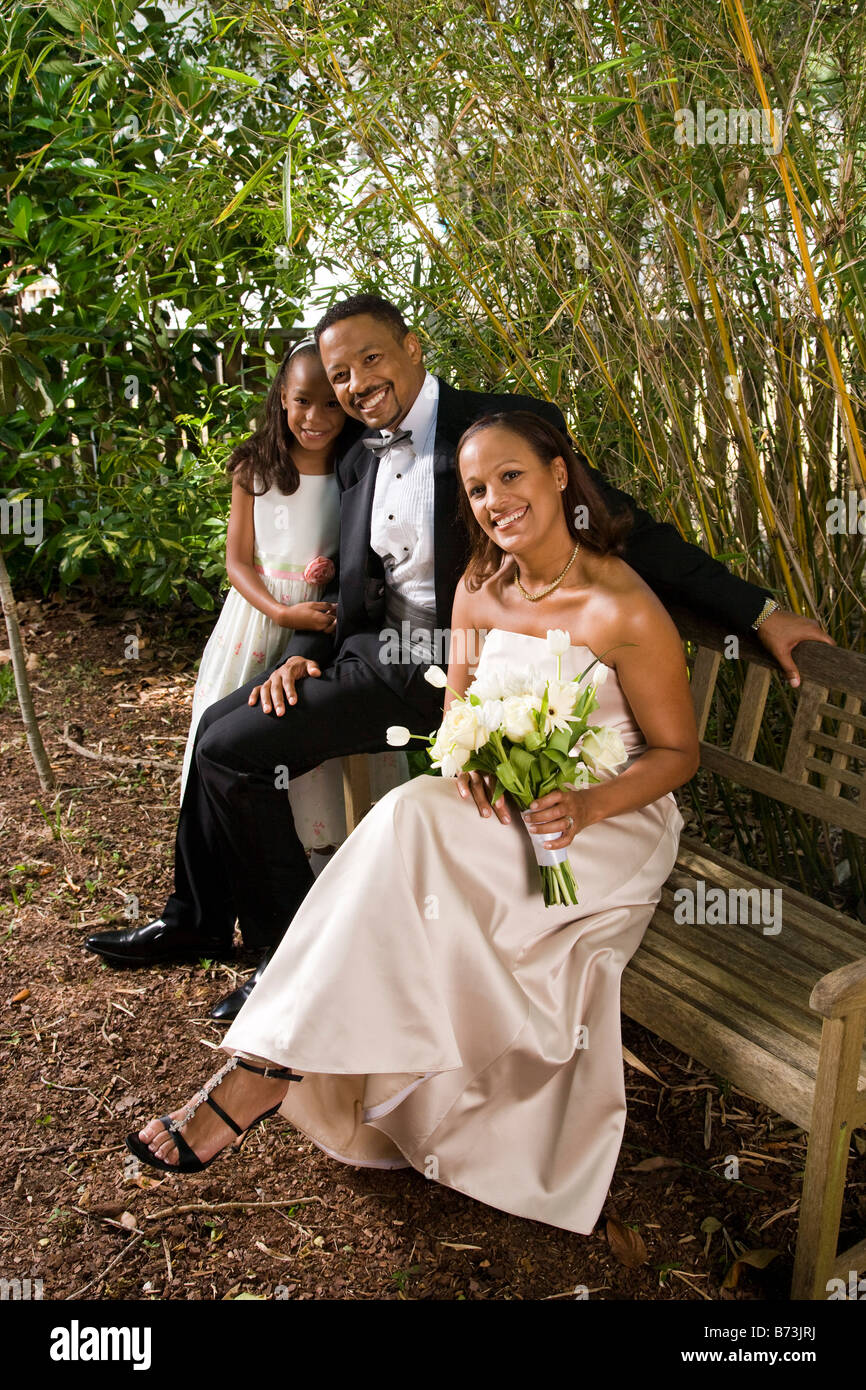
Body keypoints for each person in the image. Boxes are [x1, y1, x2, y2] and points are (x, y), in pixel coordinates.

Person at [87, 293, 835, 1024]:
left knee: (232, 748)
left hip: (468, 671)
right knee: (220, 730)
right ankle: (195, 918)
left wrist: (759, 613)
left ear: (413, 348)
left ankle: (286, 960)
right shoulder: (355, 454)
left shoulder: (498, 427)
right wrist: (303, 654)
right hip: (378, 656)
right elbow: (350, 581)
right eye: (340, 374)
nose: (355, 384)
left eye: (370, 360)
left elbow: (629, 529)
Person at [125, 409, 699, 1238]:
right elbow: (460, 712)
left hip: (605, 824)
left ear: (558, 474)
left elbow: (678, 754)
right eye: (477, 488)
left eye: (511, 476)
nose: (495, 500)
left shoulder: (622, 607)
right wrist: (472, 758)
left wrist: (583, 805)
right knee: (412, 824)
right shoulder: (480, 588)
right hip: (498, 809)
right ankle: (267, 1064)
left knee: (405, 822)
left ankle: (260, 1070)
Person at [178, 337, 406, 853]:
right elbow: (238, 562)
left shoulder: (360, 466)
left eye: (331, 404)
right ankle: (235, 850)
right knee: (233, 727)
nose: (316, 417)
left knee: (308, 736)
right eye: (303, 400)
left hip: (326, 622)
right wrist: (282, 612)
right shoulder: (255, 466)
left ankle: (318, 855)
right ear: (282, 395)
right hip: (262, 616)